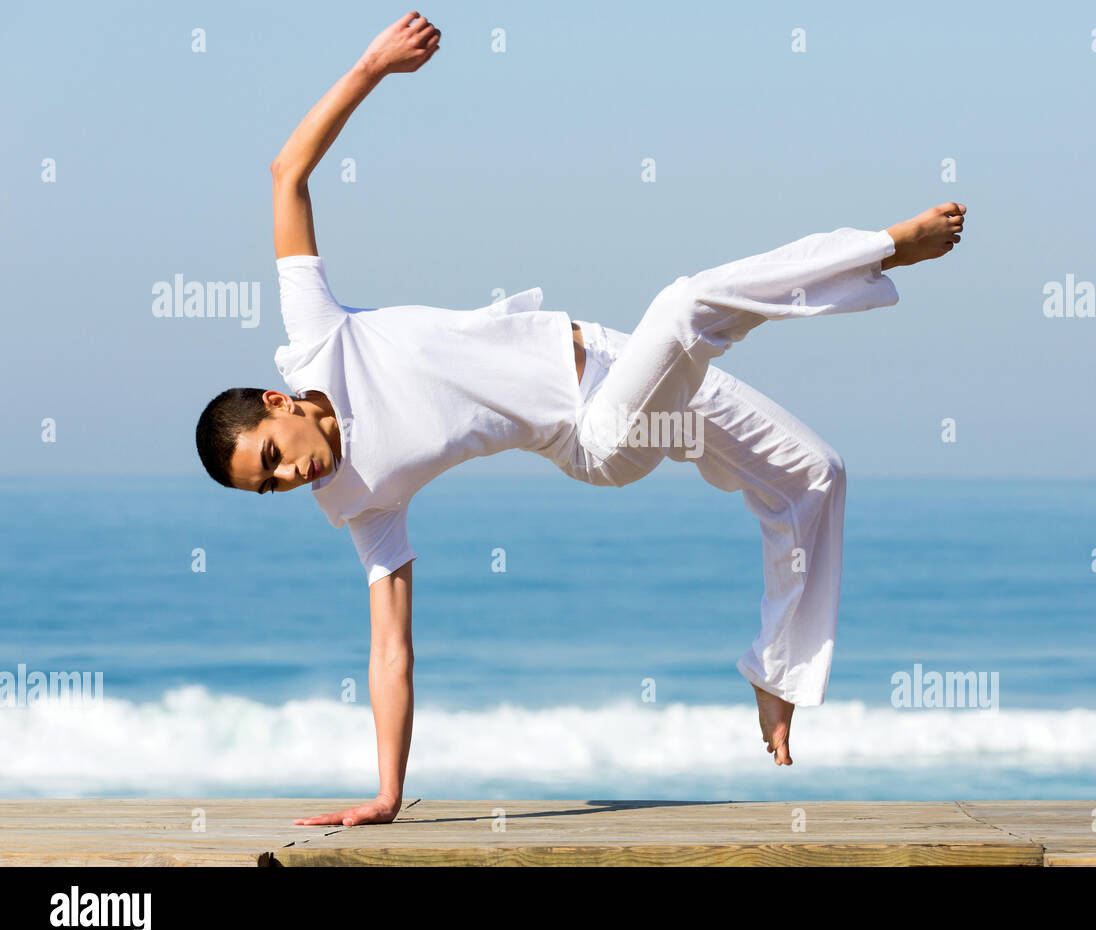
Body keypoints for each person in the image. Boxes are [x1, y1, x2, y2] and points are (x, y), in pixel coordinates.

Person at [194, 11, 966, 826]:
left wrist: (374, 65)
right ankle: (880, 251)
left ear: (277, 406)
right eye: (271, 487)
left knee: (817, 473)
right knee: (687, 302)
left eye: (273, 456)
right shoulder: (356, 499)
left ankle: (777, 673)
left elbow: (287, 173)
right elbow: (390, 646)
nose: (291, 476)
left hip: (617, 358)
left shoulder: (316, 336)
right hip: (598, 436)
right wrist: (388, 793)